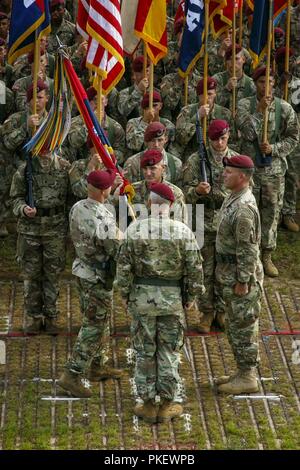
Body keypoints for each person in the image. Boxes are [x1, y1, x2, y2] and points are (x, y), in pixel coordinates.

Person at [116, 182, 205, 423]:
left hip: (142, 299)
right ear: (171, 205)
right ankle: (167, 403)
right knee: (168, 350)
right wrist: (191, 297)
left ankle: (146, 403)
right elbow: (195, 270)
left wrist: (125, 294)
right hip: (172, 299)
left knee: (145, 350)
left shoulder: (134, 230)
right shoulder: (183, 232)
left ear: (148, 203)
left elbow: (123, 268)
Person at [9, 86, 72, 334]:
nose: (45, 147)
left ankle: (52, 315)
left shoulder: (64, 167)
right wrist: (22, 208)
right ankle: (33, 316)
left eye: (49, 142)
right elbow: (14, 198)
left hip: (55, 228)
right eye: (41, 142)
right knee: (30, 275)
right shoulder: (25, 169)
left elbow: (73, 194)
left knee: (53, 275)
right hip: (30, 229)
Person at [57, 169, 124, 398]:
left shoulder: (78, 207)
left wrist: (113, 195)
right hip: (98, 276)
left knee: (99, 321)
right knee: (93, 327)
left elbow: (100, 209)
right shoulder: (102, 217)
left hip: (82, 270)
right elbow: (114, 248)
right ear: (104, 190)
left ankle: (98, 364)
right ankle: (72, 375)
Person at [236, 66, 299, 277]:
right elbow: (245, 132)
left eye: (270, 82)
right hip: (250, 171)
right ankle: (248, 254)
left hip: (274, 171)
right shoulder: (245, 105)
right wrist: (259, 112)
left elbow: (293, 137)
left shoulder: (284, 108)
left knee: (271, 212)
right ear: (256, 84)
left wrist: (275, 149)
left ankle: (267, 254)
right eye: (262, 82)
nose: (267, 86)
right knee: (248, 212)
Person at [183, 120, 238, 333]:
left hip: (226, 222)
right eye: (215, 139)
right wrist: (197, 191)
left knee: (225, 269)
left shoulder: (235, 160)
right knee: (204, 269)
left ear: (229, 136)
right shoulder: (197, 160)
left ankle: (222, 311)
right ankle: (206, 312)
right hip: (201, 219)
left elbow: (244, 190)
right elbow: (184, 193)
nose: (219, 143)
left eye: (223, 138)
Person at [215, 155, 264, 394]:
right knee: (234, 325)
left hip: (240, 276)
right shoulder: (233, 198)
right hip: (230, 272)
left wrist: (243, 280)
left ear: (242, 177)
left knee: (243, 326)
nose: (224, 174)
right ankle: (241, 370)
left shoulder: (244, 208)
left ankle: (248, 376)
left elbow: (248, 249)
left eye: (229, 172)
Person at [124, 122, 182, 186]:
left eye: (160, 140)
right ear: (146, 141)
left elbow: (178, 191)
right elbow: (127, 191)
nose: (156, 145)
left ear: (166, 139)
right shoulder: (133, 163)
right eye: (152, 141)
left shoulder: (175, 164)